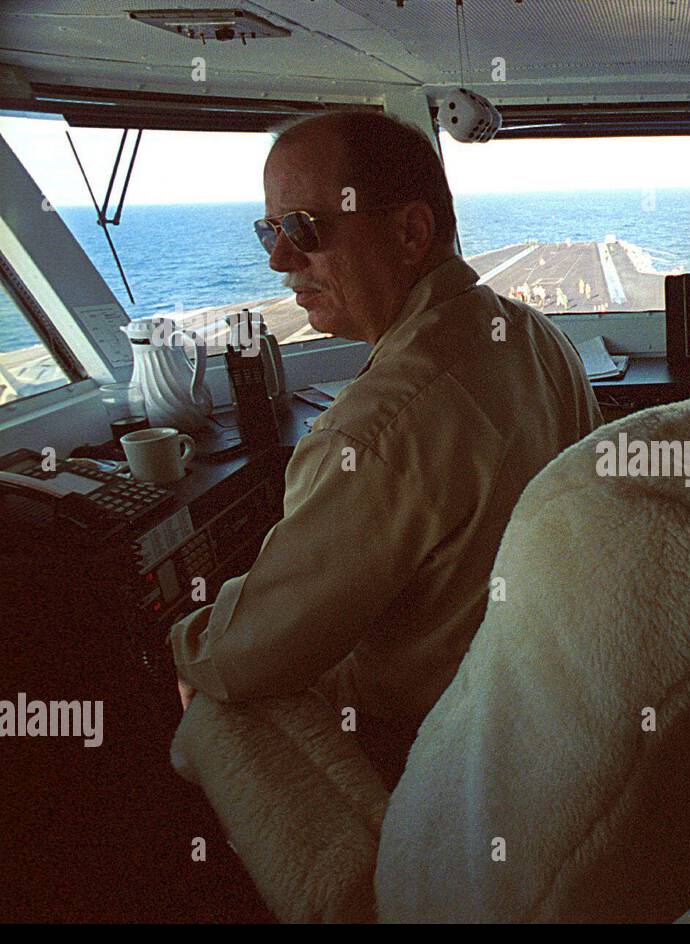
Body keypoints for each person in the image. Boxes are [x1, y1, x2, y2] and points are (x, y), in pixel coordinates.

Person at [169, 110, 602, 779]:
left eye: (302, 229)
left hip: (429, 747)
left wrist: (177, 643)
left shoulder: (377, 431)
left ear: (409, 231)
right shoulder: (533, 334)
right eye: (270, 229)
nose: (279, 258)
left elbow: (244, 656)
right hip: (543, 703)